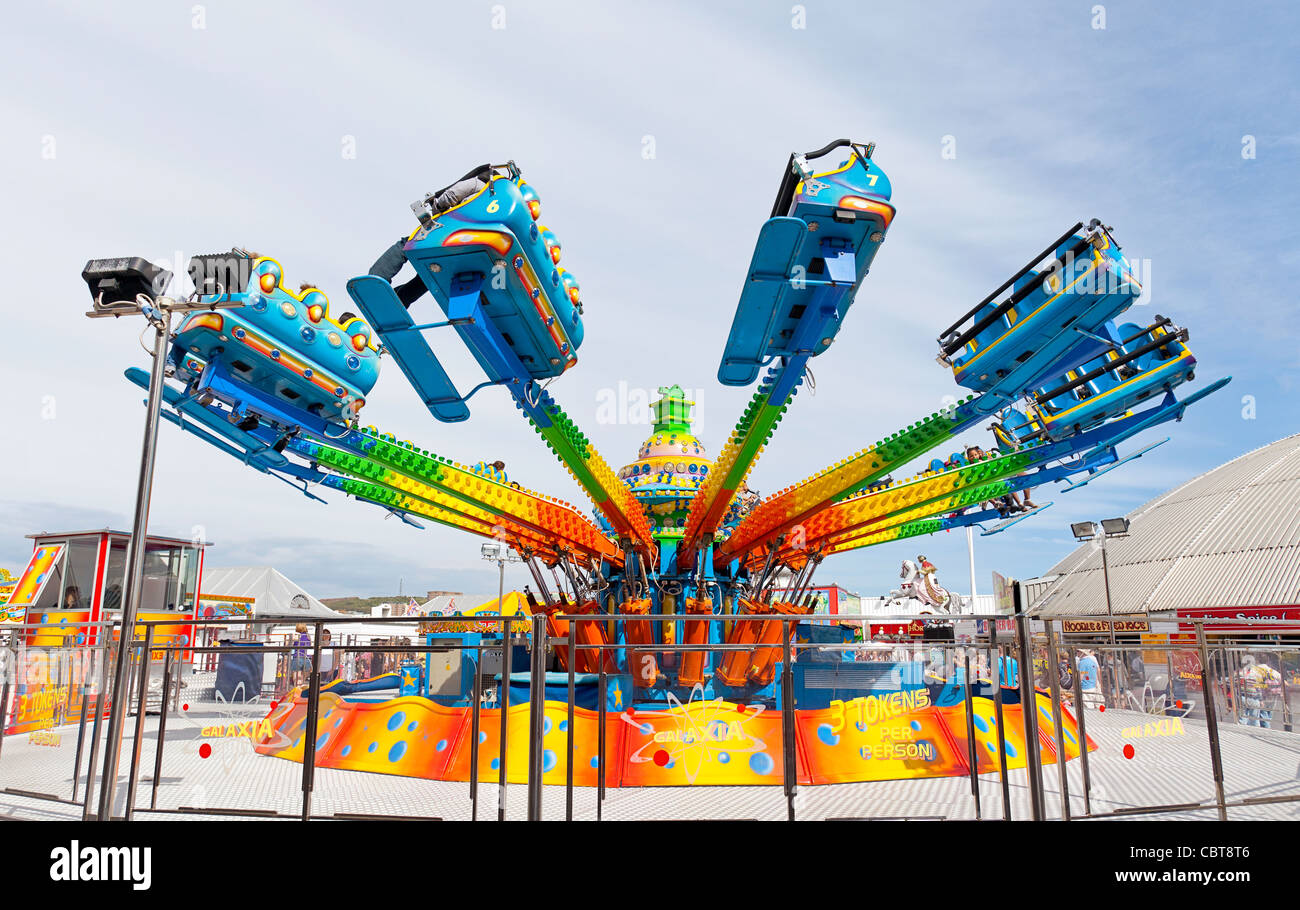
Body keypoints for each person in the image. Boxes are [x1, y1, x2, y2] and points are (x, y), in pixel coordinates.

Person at [370, 164, 493, 308]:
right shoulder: (493, 202)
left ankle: (377, 277)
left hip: (448, 233)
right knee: (429, 275)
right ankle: (402, 300)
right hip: (466, 247)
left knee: (406, 244)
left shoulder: (478, 184)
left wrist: (437, 206)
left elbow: (450, 196)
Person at [290, 623, 311, 688]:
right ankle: (301, 691)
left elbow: (290, 645)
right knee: (302, 680)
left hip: (297, 657)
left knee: (296, 679)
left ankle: (297, 692)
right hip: (307, 658)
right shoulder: (308, 636)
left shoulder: (296, 635)